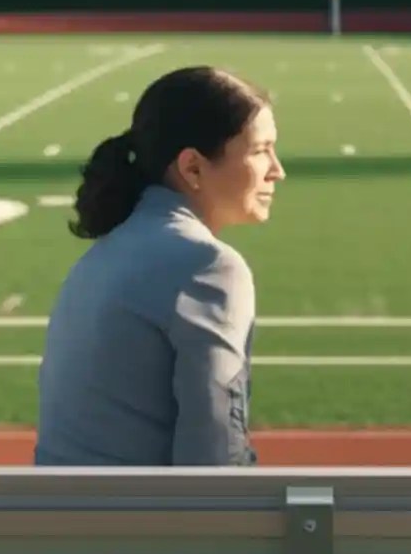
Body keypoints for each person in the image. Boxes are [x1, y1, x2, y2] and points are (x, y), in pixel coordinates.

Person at [34, 66, 285, 466]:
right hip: (138, 522)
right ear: (192, 168)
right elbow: (214, 462)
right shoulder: (208, 266)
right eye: (260, 151)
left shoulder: (105, 250)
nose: (278, 170)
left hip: (64, 516)